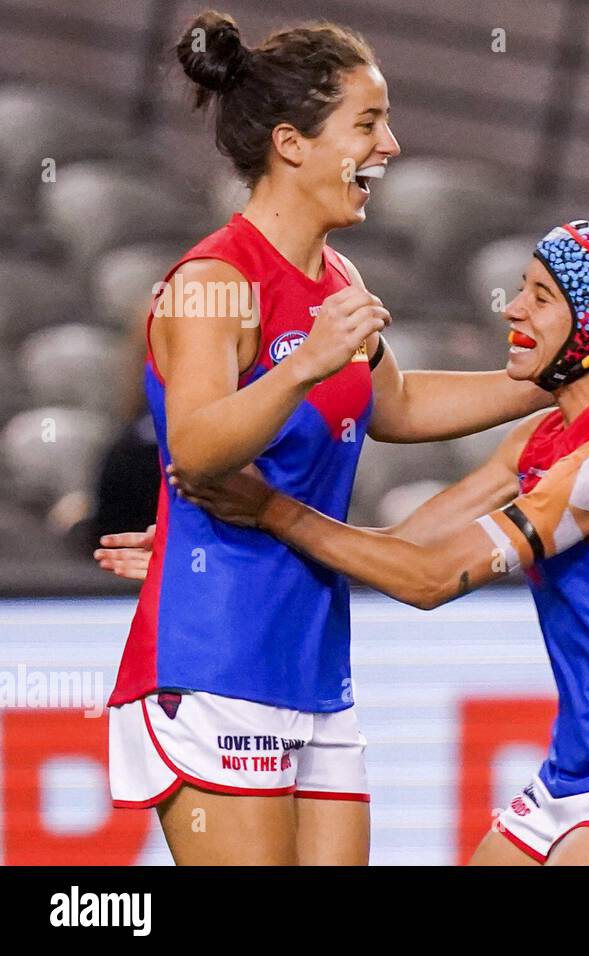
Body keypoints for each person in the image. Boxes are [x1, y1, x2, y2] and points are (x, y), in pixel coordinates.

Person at [97, 11, 550, 866]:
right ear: (291, 143)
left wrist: (545, 379)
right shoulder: (213, 281)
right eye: (369, 124)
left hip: (311, 665)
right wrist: (303, 364)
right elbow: (196, 448)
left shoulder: (336, 274)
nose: (393, 146)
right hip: (215, 656)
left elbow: (400, 405)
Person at [165, 219, 589, 865]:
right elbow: (401, 547)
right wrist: (212, 543)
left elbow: (429, 579)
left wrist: (272, 511)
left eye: (542, 297)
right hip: (574, 778)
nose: (513, 309)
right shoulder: (543, 438)